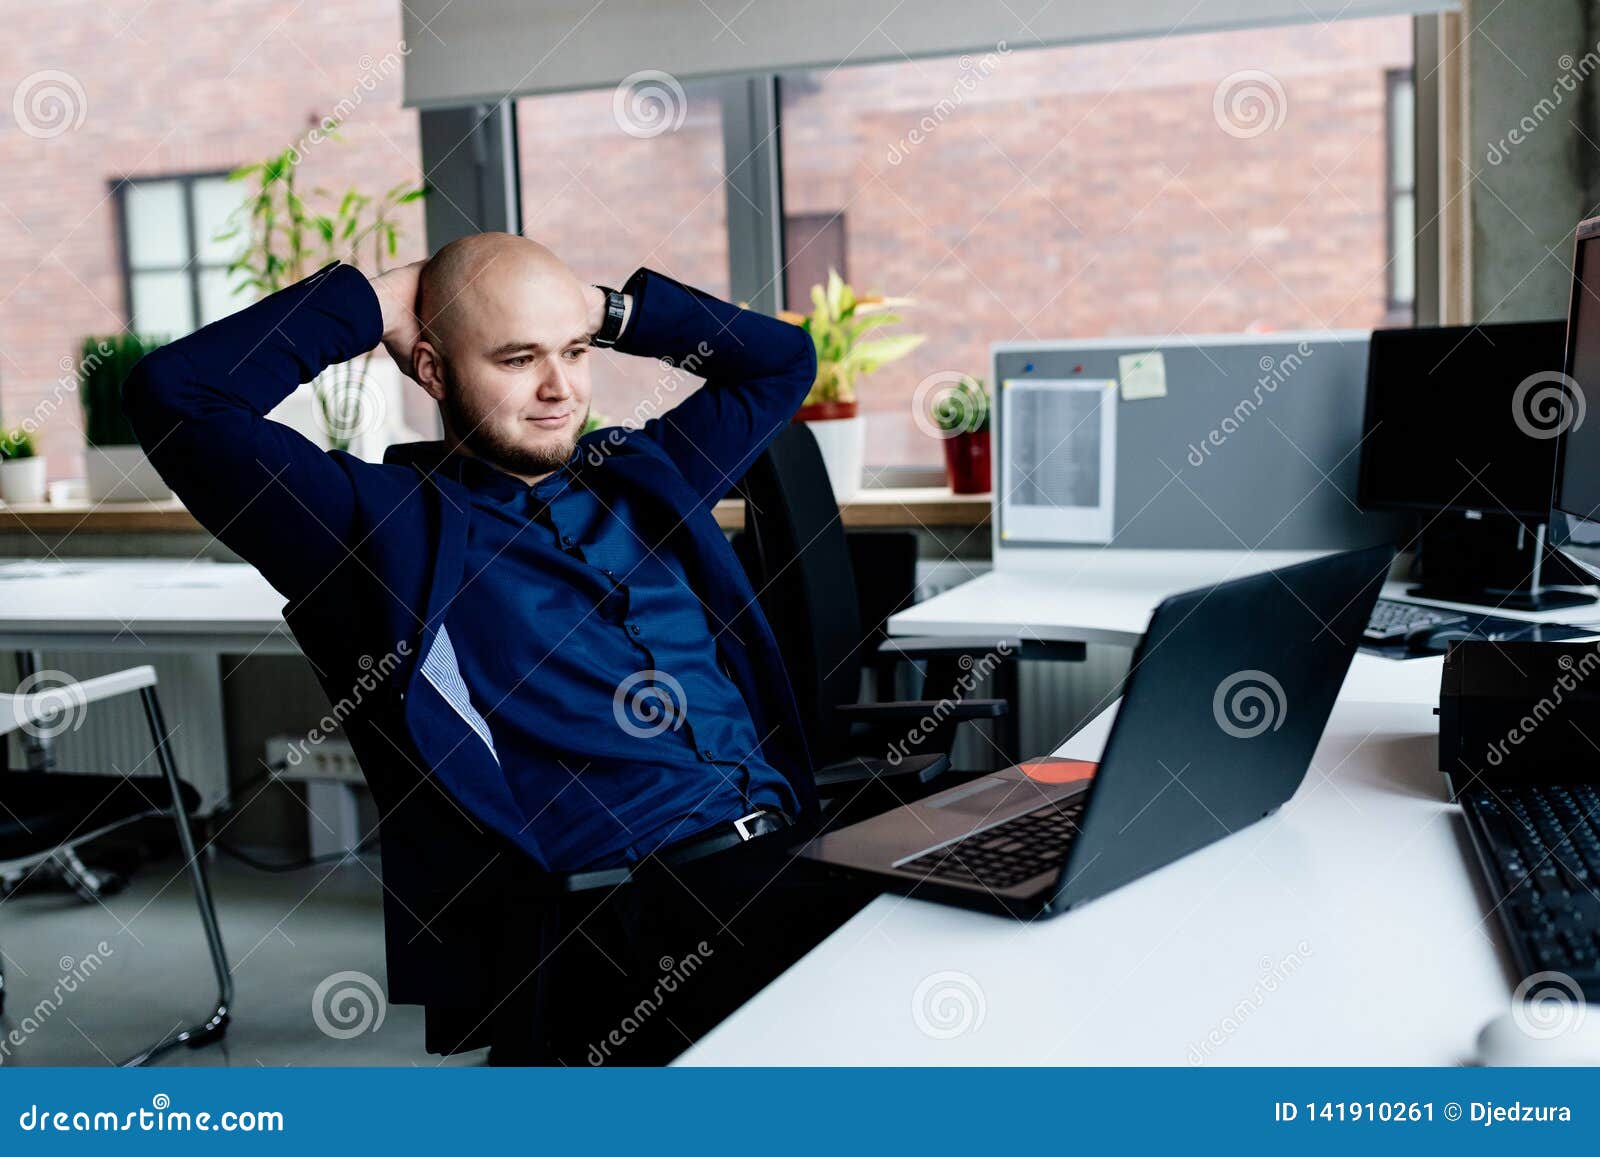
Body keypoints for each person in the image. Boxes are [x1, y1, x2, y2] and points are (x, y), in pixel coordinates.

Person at [123, 233, 870, 1063]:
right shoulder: (372, 528)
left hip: (792, 847)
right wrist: (376, 303)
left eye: (575, 353)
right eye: (518, 359)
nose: (559, 389)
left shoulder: (648, 470)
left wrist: (603, 307)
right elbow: (175, 395)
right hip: (634, 916)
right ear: (434, 371)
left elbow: (781, 361)